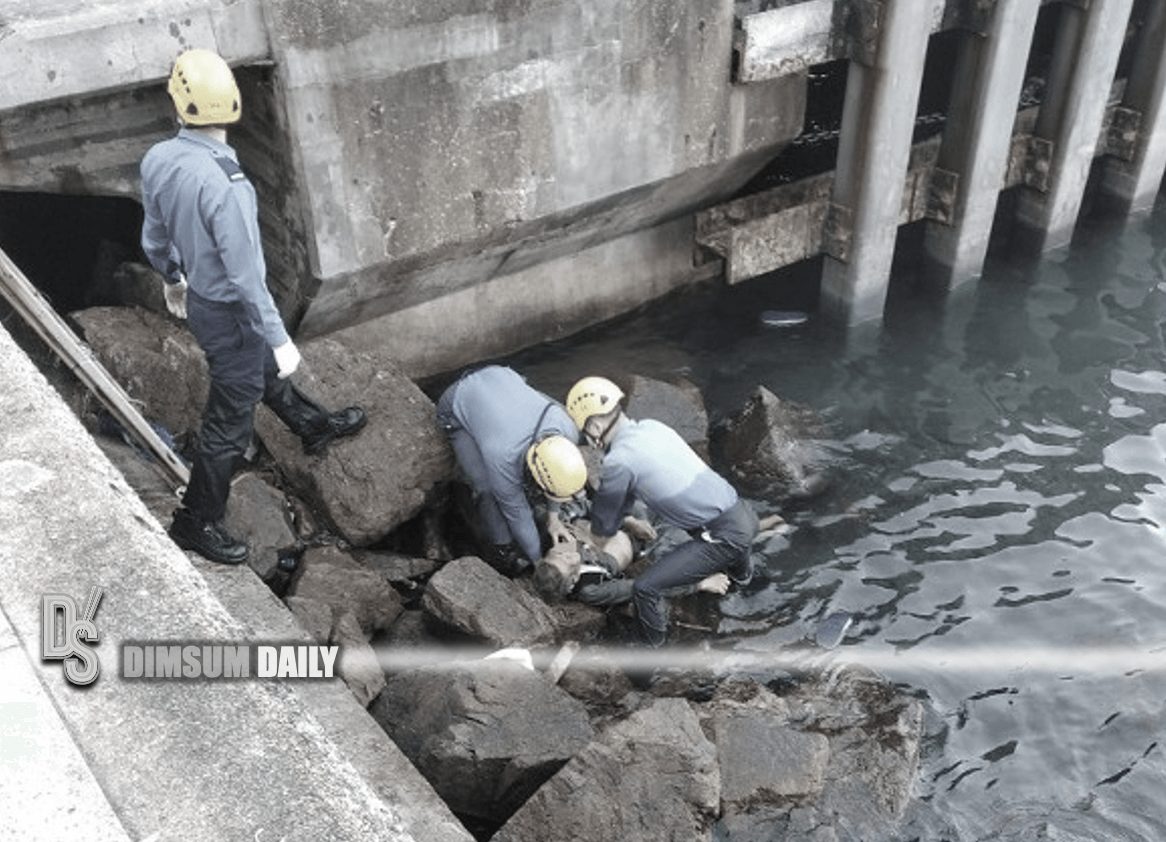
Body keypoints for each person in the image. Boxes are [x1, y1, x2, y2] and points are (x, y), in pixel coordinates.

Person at [140, 48, 366, 565]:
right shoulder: (228, 185)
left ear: (178, 106)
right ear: (233, 104)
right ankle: (195, 521)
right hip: (232, 313)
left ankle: (311, 425)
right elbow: (247, 278)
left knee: (255, 373)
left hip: (201, 302)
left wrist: (172, 277)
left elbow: (155, 236)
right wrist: (281, 338)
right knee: (228, 424)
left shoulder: (158, 159)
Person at [565, 376, 758, 645]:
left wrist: (583, 547)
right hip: (741, 512)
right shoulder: (651, 427)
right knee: (739, 576)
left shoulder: (619, 461)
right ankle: (744, 584)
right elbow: (632, 494)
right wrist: (631, 522)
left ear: (595, 425)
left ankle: (651, 649)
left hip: (723, 537)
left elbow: (603, 527)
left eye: (585, 430)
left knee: (646, 588)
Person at [436, 365, 588, 575]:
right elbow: (518, 512)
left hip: (502, 376)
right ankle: (502, 548)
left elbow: (558, 479)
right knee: (487, 489)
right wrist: (538, 562)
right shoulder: (502, 454)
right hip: (456, 403)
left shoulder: (567, 428)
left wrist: (554, 519)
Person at [533, 517, 731, 607]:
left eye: (558, 554)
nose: (566, 554)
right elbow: (643, 587)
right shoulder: (591, 589)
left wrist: (629, 521)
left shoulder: (557, 544)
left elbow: (584, 512)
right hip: (645, 544)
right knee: (717, 538)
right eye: (567, 563)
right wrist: (700, 585)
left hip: (628, 521)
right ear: (573, 581)